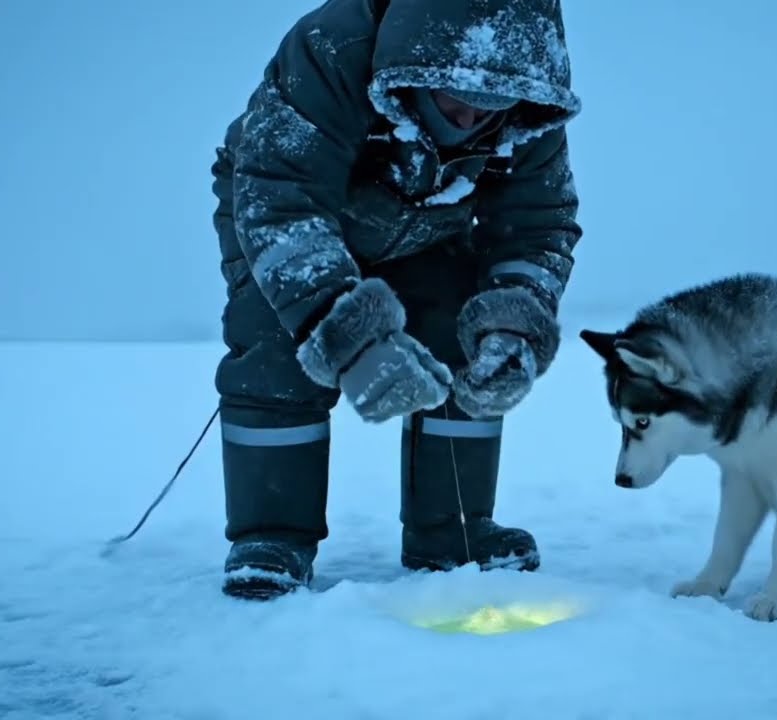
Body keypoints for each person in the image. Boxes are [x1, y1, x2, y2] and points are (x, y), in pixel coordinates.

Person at [208, 0, 582, 600]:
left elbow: (536, 224)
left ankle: (453, 531)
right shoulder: (329, 48)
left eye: (490, 111)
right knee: (276, 348)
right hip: (282, 211)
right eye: (451, 101)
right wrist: (350, 337)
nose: (469, 120)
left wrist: (513, 323)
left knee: (469, 333)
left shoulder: (529, 101)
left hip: (432, 227)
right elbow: (281, 198)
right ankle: (272, 537)